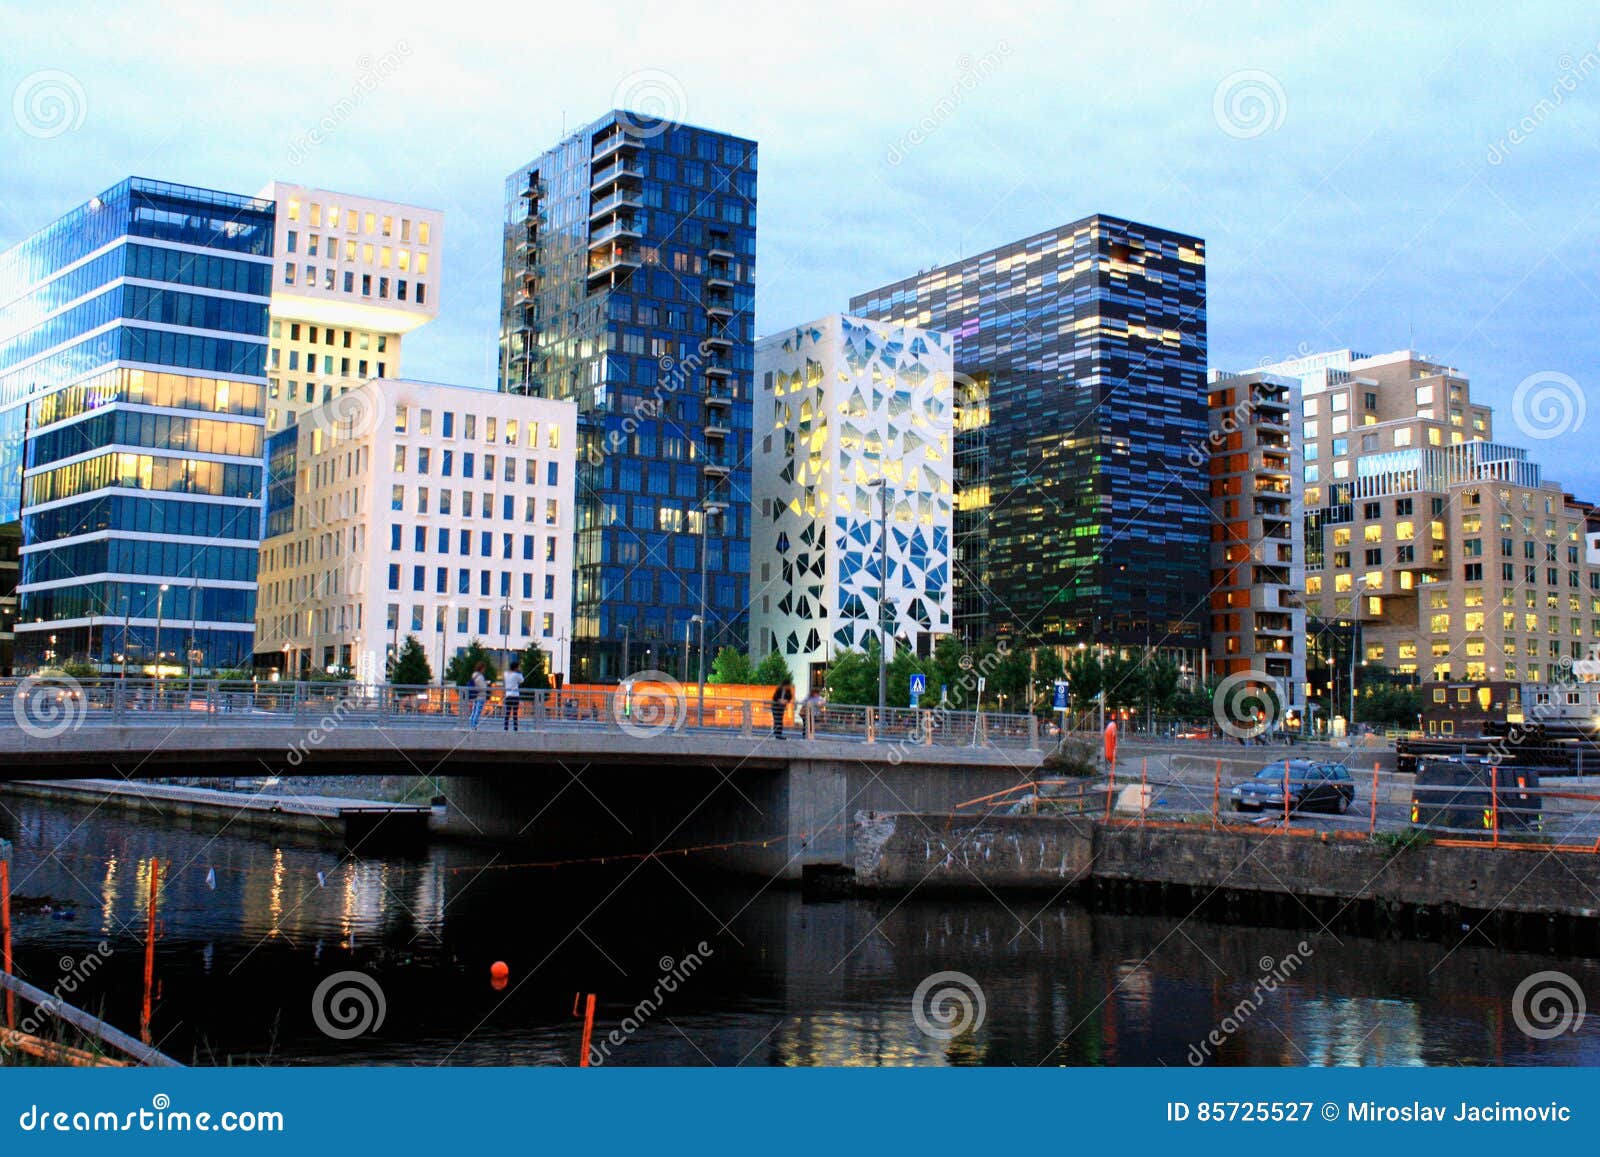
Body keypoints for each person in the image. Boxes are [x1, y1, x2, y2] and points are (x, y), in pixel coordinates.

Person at [502, 658, 523, 732]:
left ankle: (506, 728)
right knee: (515, 713)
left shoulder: (506, 674)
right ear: (516, 667)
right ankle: (515, 728)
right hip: (515, 695)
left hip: (508, 695)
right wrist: (520, 672)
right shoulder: (517, 675)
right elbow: (521, 680)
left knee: (507, 712)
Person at [467, 661, 489, 729]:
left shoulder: (474, 675)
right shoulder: (480, 677)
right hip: (480, 696)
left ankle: (471, 724)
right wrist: (487, 684)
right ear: (482, 668)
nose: (484, 670)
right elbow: (483, 688)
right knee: (477, 712)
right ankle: (474, 726)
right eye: (484, 668)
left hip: (475, 696)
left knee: (474, 711)